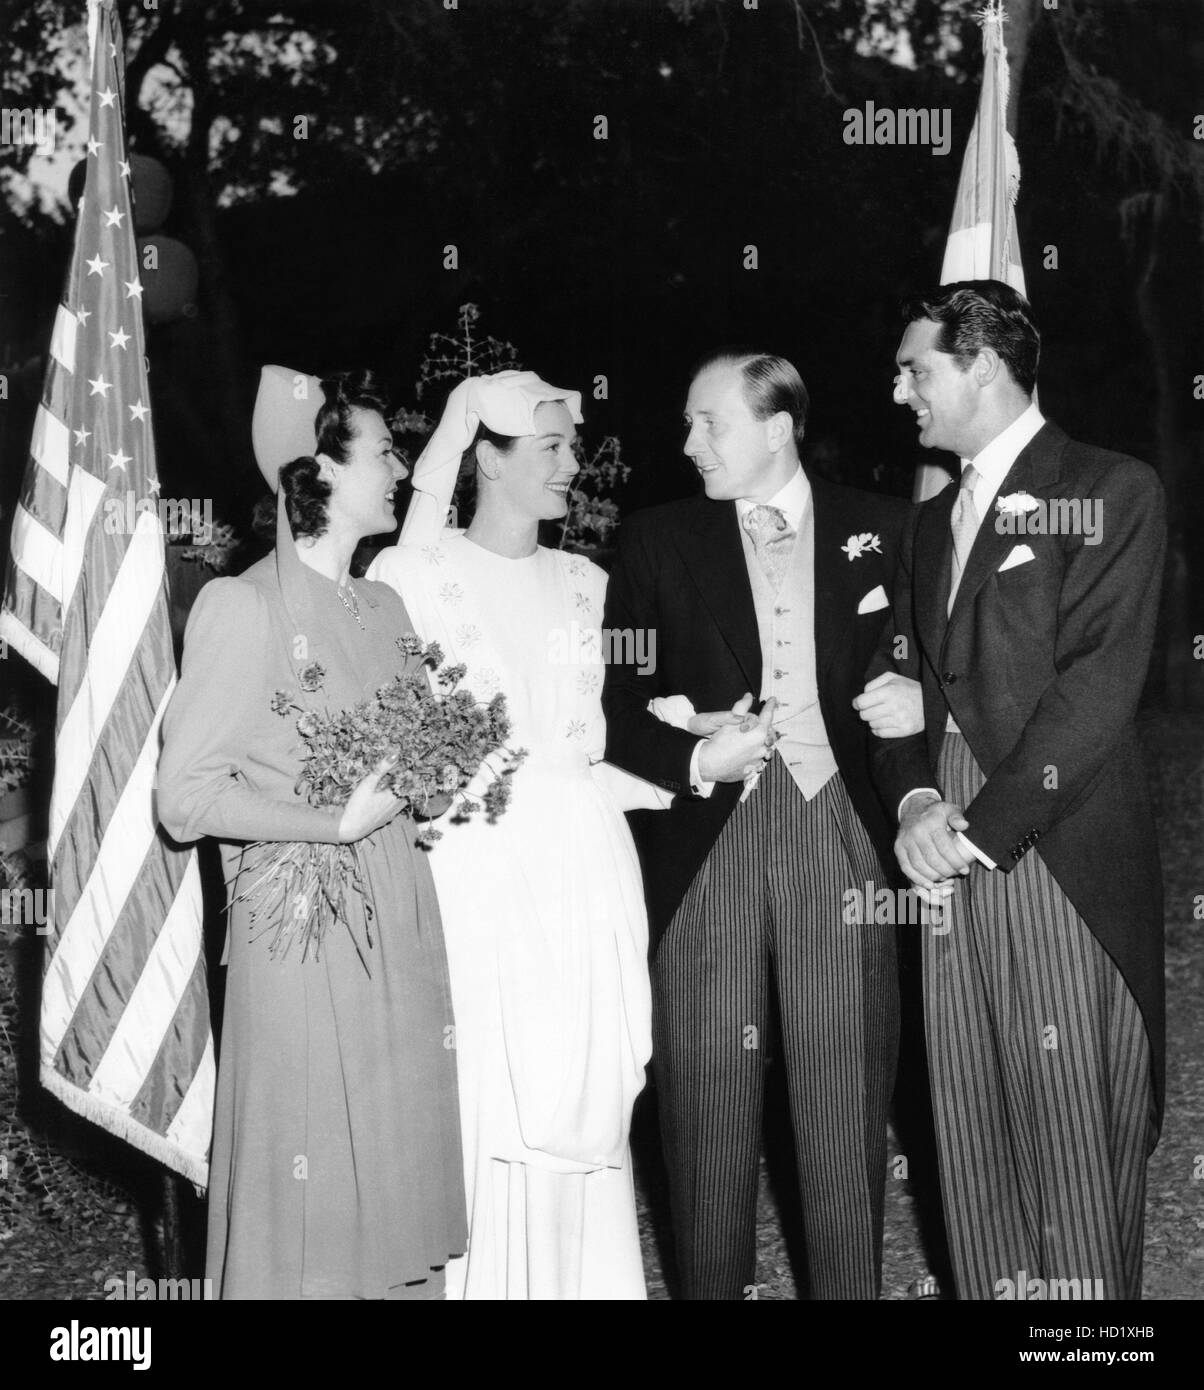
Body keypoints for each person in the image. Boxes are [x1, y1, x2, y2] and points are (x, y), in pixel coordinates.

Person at [601, 347, 919, 1300]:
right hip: (709, 847)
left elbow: (943, 670)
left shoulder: (889, 528)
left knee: (842, 1101)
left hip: (844, 834)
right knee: (703, 1112)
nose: (688, 441)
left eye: (710, 424)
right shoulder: (656, 539)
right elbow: (612, 703)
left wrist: (920, 705)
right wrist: (693, 755)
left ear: (777, 426)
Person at [873, 280, 1166, 1300]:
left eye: (917, 367)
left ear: (981, 366)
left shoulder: (1109, 487)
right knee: (970, 1129)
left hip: (1049, 846)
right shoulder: (926, 525)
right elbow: (894, 686)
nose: (900, 388)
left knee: (1070, 1144)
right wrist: (913, 803)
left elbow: (1094, 689)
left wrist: (975, 831)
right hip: (943, 844)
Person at [157, 366, 466, 1299]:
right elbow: (185, 800)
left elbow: (423, 775)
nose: (402, 466)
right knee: (312, 1194)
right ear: (318, 472)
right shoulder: (240, 606)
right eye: (384, 451)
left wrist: (439, 777)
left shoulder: (386, 607)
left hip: (401, 915)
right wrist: (328, 821)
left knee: (393, 1174)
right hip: (300, 931)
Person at [369, 370, 664, 1300]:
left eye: (572, 448)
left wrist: (694, 753)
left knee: (583, 1108)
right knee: (489, 1105)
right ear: (485, 463)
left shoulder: (589, 584)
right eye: (552, 450)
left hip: (583, 878)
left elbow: (608, 741)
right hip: (476, 885)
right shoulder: (410, 576)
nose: (574, 466)